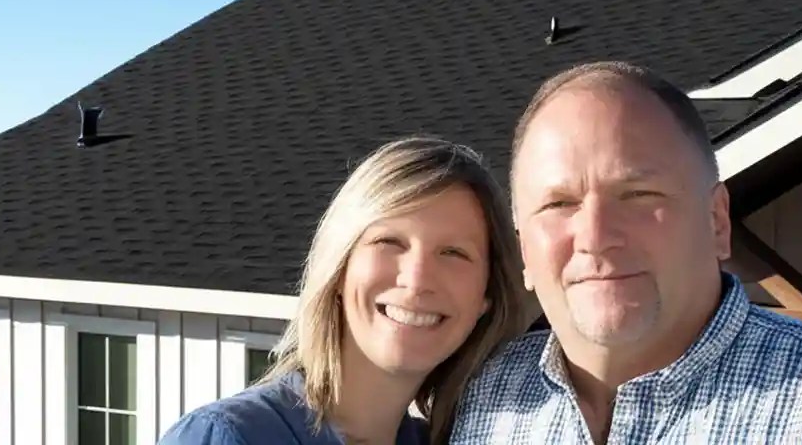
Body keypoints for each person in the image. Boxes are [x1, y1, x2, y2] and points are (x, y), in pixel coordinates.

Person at [450, 61, 802, 444]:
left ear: (717, 221)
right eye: (559, 203)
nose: (595, 235)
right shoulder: (479, 395)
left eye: (638, 195)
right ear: (523, 249)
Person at [159, 136, 529, 444]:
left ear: (486, 297)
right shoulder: (231, 437)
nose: (416, 279)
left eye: (453, 252)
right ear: (339, 269)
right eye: (389, 241)